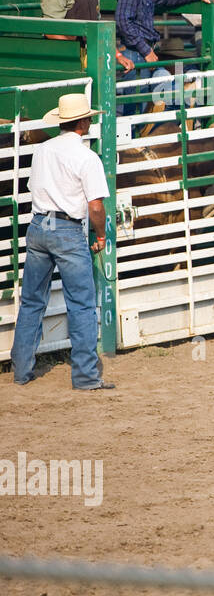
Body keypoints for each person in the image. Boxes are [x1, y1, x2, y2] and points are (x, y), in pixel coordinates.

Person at [10, 93, 114, 390]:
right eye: (89, 117)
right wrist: (102, 234)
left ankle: (22, 370)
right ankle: (84, 376)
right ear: (83, 122)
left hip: (40, 224)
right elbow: (95, 206)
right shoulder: (86, 157)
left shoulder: (42, 150)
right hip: (67, 229)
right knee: (81, 304)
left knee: (31, 300)